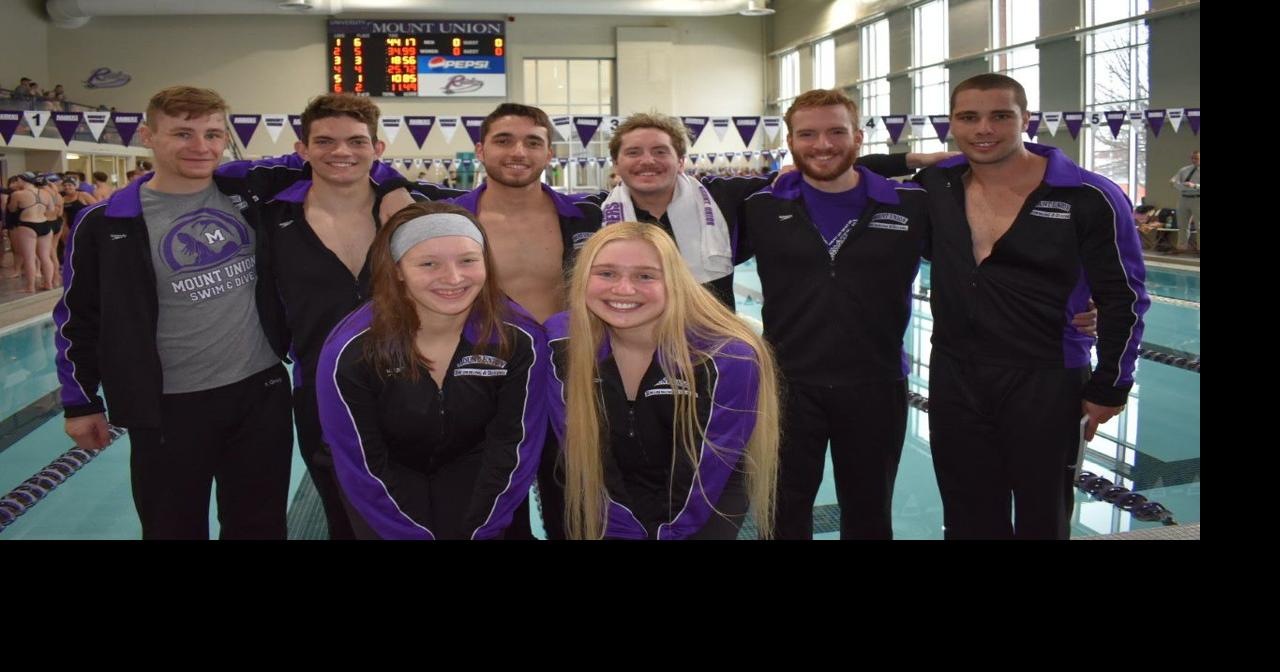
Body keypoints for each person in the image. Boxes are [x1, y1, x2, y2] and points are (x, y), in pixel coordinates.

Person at [55, 86, 305, 539]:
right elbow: (77, 317)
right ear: (148, 136)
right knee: (172, 529)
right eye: (183, 133)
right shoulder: (107, 222)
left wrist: (392, 189)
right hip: (168, 405)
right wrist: (80, 402)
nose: (201, 146)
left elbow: (335, 154)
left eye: (212, 134)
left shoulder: (245, 190)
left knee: (262, 526)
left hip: (260, 392)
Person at [913, 73, 1149, 540]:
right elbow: (854, 181)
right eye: (969, 117)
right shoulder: (934, 186)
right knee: (965, 513)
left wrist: (1111, 387)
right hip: (954, 374)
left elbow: (1125, 297)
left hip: (1046, 377)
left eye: (1000, 116)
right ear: (952, 125)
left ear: (1027, 120)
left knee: (1043, 516)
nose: (984, 129)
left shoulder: (1089, 196)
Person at [736, 89, 934, 540]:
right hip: (788, 384)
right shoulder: (761, 206)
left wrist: (1079, 300)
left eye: (836, 132)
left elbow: (978, 260)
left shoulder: (910, 206)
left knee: (869, 512)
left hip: (876, 383)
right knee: (782, 510)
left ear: (859, 137)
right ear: (790, 140)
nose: (822, 144)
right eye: (808, 134)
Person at [253, 92, 446, 540]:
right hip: (319, 386)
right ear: (302, 150)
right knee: (342, 511)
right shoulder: (273, 214)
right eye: (325, 141)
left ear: (377, 150)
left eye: (357, 142)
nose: (342, 152)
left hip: (415, 380)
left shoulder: (414, 211)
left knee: (425, 506)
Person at [411, 102, 603, 539]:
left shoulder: (584, 215)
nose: (518, 151)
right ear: (480, 149)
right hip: (482, 377)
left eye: (532, 142)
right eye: (503, 140)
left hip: (565, 374)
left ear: (549, 153)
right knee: (489, 507)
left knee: (574, 504)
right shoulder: (446, 219)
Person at [315, 201, 546, 540]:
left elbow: (515, 444)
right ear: (397, 270)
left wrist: (483, 528)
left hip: (477, 468)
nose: (453, 278)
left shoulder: (519, 339)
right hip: (385, 473)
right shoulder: (351, 350)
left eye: (468, 260)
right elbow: (361, 461)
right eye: (428, 263)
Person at [549, 221, 780, 540]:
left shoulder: (727, 357)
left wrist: (665, 534)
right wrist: (621, 529)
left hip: (704, 496)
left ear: (674, 282)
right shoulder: (560, 344)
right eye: (606, 273)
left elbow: (706, 471)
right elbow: (585, 457)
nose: (623, 289)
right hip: (613, 493)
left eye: (645, 276)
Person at [587, 112, 952, 310]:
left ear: (681, 160)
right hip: (626, 340)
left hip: (710, 347)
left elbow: (821, 166)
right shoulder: (594, 215)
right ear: (616, 163)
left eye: (660, 152)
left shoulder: (726, 198)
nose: (647, 162)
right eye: (633, 153)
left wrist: (909, 159)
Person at [6, 172, 55, 292]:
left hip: (27, 226)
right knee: (45, 257)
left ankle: (30, 287)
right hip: (44, 225)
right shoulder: (46, 193)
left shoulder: (18, 194)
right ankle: (49, 284)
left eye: (17, 180)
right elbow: (51, 210)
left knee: (29, 258)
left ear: (23, 181)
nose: (16, 183)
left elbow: (11, 209)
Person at [1169, 149, 1199, 254]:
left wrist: (1195, 185)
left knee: (1199, 225)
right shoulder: (1184, 170)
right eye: (1193, 158)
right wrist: (1173, 182)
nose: (1194, 160)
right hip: (1184, 198)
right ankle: (1182, 247)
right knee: (1182, 224)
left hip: (1197, 198)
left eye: (1197, 158)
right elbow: (1174, 180)